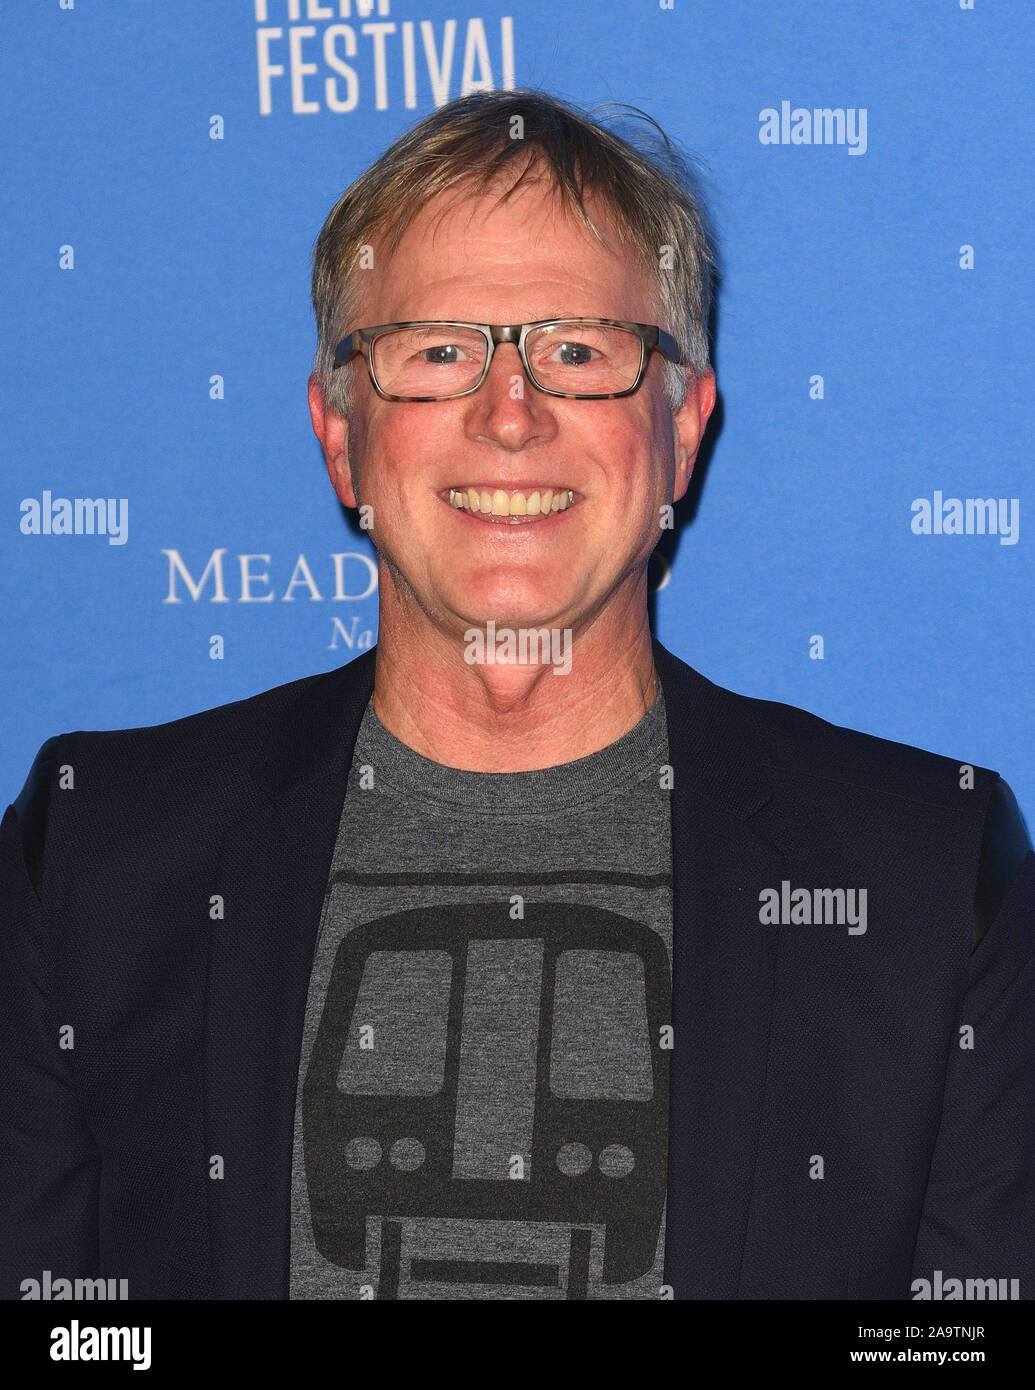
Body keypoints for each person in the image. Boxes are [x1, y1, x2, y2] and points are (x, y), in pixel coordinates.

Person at [2, 89, 1032, 1302]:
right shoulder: (94, 856)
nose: (510, 413)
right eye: (439, 351)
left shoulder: (926, 876)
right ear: (342, 437)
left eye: (581, 351)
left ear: (684, 428)